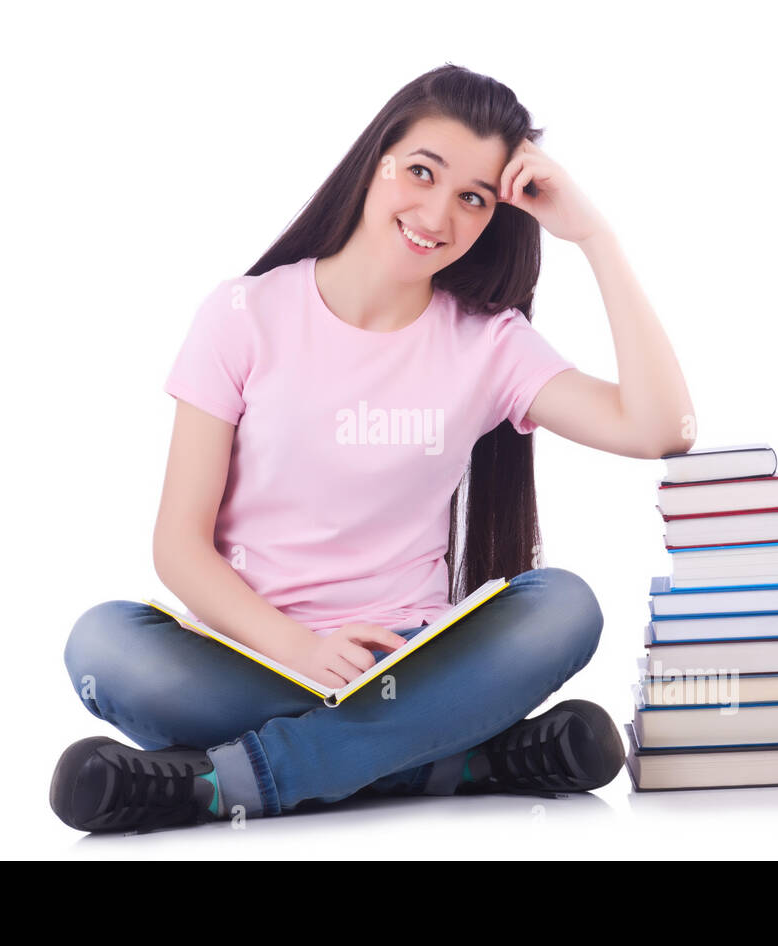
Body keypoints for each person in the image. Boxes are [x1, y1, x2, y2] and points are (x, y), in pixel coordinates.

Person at [50, 64, 696, 834]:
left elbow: (661, 428)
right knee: (103, 642)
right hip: (252, 660)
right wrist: (299, 647)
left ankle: (232, 782)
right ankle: (450, 756)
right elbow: (178, 545)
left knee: (564, 608)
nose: (437, 213)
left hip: (414, 661)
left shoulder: (488, 343)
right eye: (422, 171)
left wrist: (595, 236)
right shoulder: (242, 314)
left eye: (473, 199)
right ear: (376, 159)